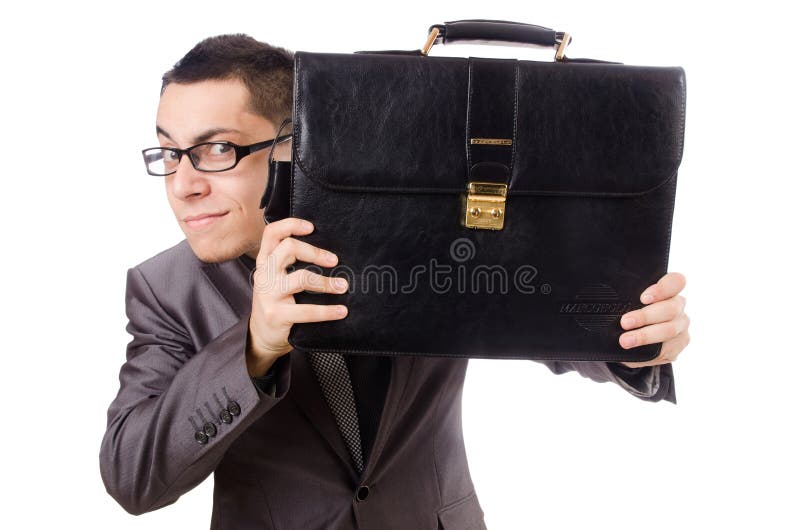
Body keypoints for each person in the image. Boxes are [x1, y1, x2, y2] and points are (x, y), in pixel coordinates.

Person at [99, 34, 691, 530]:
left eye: (217, 149)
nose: (183, 184)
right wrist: (254, 347)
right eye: (170, 153)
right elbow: (131, 476)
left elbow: (533, 310)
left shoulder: (416, 230)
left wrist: (632, 339)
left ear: (294, 144)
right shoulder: (163, 288)